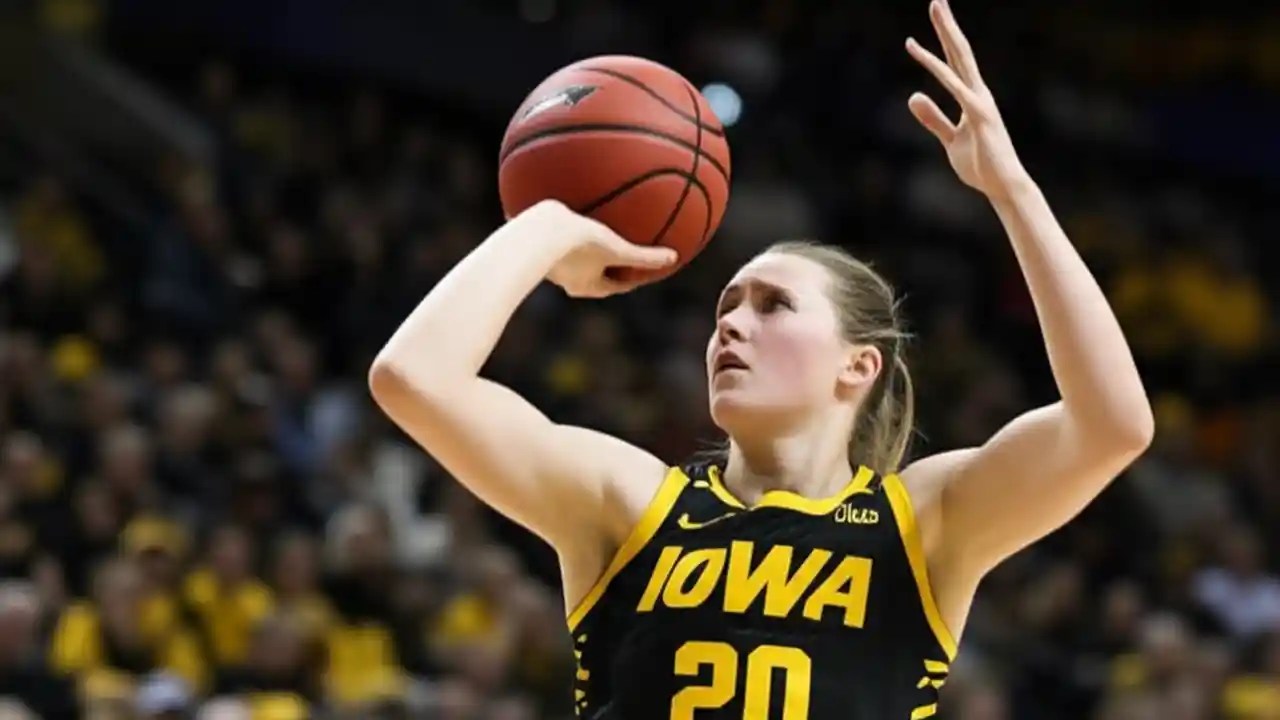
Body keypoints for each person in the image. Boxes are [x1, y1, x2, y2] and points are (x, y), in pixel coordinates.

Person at [367, 2, 1154, 717]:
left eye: (773, 305)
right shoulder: (630, 504)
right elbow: (413, 378)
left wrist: (1012, 191)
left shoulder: (923, 525)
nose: (732, 327)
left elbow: (1113, 423)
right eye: (725, 309)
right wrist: (546, 228)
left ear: (860, 366)